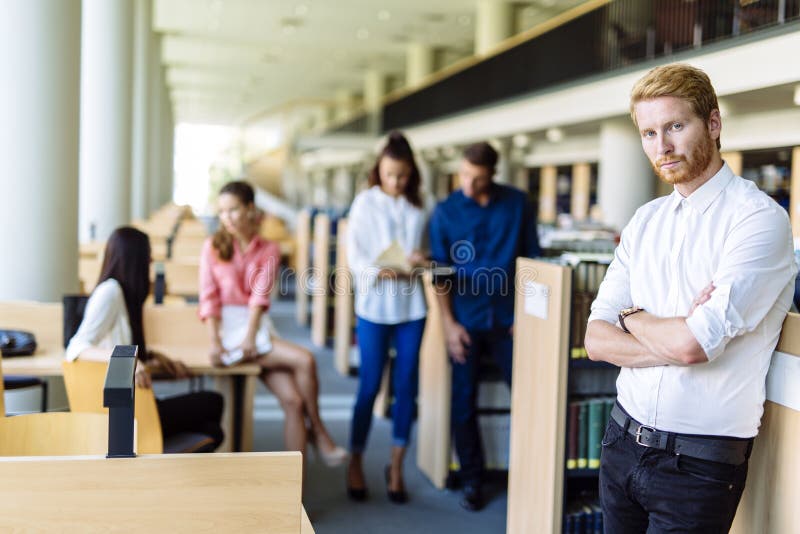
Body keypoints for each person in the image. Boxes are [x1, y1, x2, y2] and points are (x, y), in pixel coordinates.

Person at [584, 63, 796, 533]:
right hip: (621, 441)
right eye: (649, 133)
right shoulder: (646, 220)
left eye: (676, 126)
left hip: (698, 465)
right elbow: (596, 340)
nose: (662, 146)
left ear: (714, 124)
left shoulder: (758, 220)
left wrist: (632, 316)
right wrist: (663, 327)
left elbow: (691, 345)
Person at [199, 180, 346, 465]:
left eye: (233, 210)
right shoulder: (212, 247)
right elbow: (208, 297)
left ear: (250, 209)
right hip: (224, 329)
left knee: (293, 402)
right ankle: (318, 431)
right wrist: (215, 341)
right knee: (305, 360)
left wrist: (251, 336)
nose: (226, 218)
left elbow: (259, 297)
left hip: (254, 328)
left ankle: (296, 493)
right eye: (222, 212)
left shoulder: (269, 248)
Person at [428, 142, 541, 511]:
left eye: (476, 179)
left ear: (493, 173)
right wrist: (448, 325)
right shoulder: (445, 211)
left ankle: (532, 475)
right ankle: (473, 481)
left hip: (510, 322)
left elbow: (532, 262)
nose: (468, 185)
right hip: (465, 321)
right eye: (463, 175)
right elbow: (440, 274)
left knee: (530, 400)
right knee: (463, 403)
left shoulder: (518, 203)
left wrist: (527, 316)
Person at [66, 227, 224, 451]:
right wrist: (128, 360)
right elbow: (76, 347)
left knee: (211, 430)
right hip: (122, 413)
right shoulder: (109, 292)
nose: (150, 260)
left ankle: (160, 470)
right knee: (213, 402)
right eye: (147, 253)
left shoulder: (123, 294)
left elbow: (117, 341)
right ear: (134, 257)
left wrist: (152, 357)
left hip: (135, 405)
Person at [345, 131, 429, 504]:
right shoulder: (364, 203)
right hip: (374, 307)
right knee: (368, 386)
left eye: (402, 175)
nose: (396, 182)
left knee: (406, 387)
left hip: (412, 308)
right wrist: (380, 270)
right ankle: (356, 459)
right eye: (389, 174)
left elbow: (430, 255)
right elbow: (354, 256)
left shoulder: (420, 206)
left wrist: (420, 260)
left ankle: (396, 466)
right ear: (378, 170)